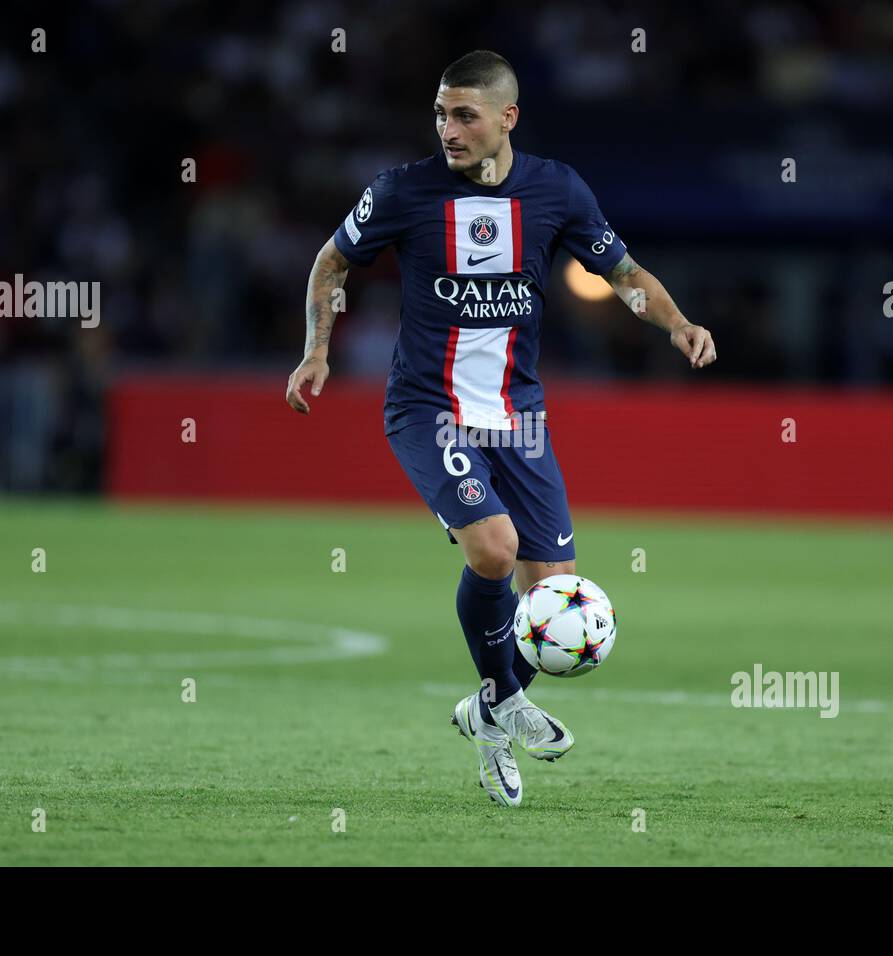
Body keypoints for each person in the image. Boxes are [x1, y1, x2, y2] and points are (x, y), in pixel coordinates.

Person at [287, 50, 716, 806]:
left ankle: (488, 712)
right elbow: (330, 262)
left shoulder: (556, 190)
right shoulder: (401, 191)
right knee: (494, 549)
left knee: (551, 596)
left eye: (465, 115)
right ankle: (501, 697)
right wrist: (316, 349)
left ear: (507, 118)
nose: (448, 130)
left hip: (519, 419)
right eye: (441, 115)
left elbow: (623, 274)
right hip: (429, 408)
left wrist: (677, 323)